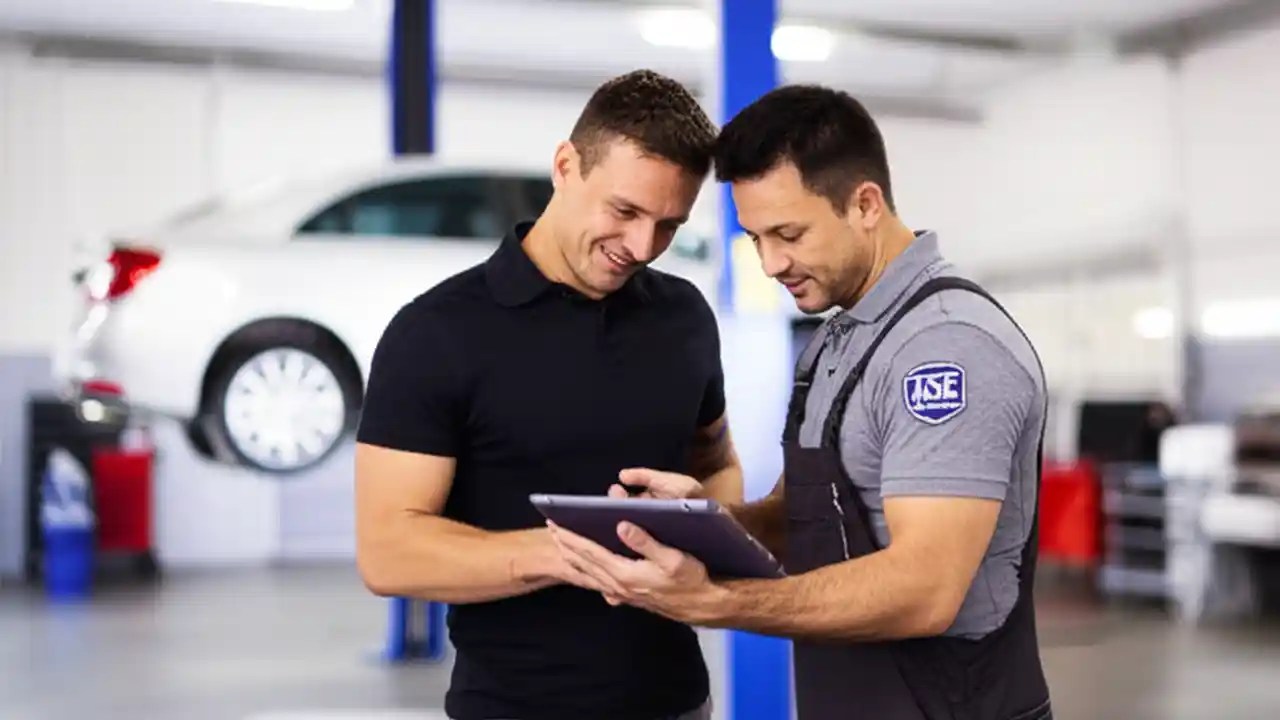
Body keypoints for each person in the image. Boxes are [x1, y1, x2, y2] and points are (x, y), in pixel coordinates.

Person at [550, 84, 1054, 720]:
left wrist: (717, 602)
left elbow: (926, 590)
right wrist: (701, 519)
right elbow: (804, 519)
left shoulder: (945, 348)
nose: (769, 262)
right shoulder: (839, 340)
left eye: (788, 233)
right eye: (756, 237)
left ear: (865, 204)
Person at [353, 69, 743, 720]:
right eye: (624, 211)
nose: (642, 246)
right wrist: (573, 553)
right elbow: (389, 553)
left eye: (668, 224)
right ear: (566, 165)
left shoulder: (685, 317)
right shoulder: (436, 333)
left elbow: (718, 465)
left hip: (680, 704)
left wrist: (705, 517)